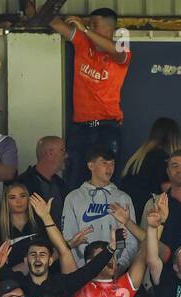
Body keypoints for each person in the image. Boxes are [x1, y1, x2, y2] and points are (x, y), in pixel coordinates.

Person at [47, 8, 131, 188]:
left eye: (94, 24)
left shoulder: (121, 50)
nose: (89, 26)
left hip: (107, 127)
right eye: (90, 24)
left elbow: (116, 51)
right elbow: (53, 22)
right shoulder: (83, 42)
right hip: (80, 127)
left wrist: (85, 29)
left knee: (108, 183)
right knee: (75, 181)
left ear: (109, 29)